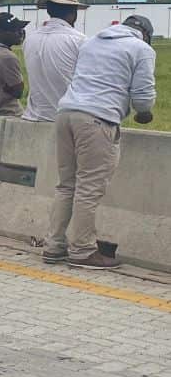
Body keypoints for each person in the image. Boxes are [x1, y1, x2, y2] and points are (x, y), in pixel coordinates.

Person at [44, 15, 156, 270]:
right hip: (97, 119)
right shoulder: (141, 49)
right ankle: (83, 250)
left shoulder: (92, 42)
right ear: (146, 34)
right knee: (89, 188)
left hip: (65, 114)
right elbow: (143, 93)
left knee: (66, 185)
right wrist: (144, 112)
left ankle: (54, 245)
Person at [22, 0, 88, 122]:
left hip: (34, 115)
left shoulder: (30, 38)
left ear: (48, 10)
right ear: (73, 13)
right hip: (66, 118)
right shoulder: (79, 40)